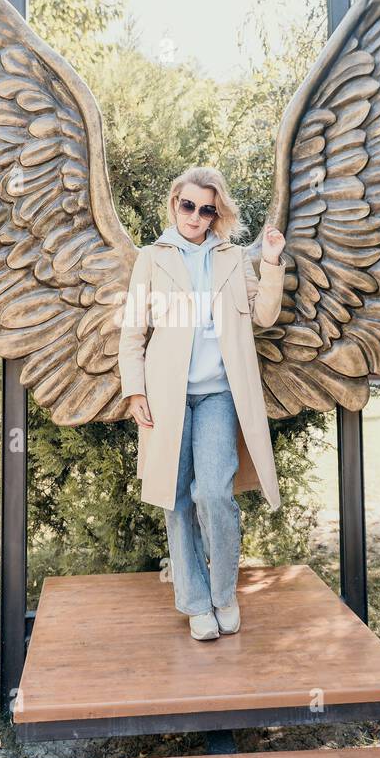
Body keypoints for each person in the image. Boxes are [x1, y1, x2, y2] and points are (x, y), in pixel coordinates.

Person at [118, 166, 286, 640]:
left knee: (215, 494)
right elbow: (132, 330)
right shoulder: (152, 258)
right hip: (167, 398)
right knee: (175, 499)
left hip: (218, 394)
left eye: (206, 208)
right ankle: (194, 604)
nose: (195, 216)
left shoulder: (233, 257)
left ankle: (223, 594)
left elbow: (264, 316)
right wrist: (135, 390)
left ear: (217, 213)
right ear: (175, 204)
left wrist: (271, 261)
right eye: (188, 205)